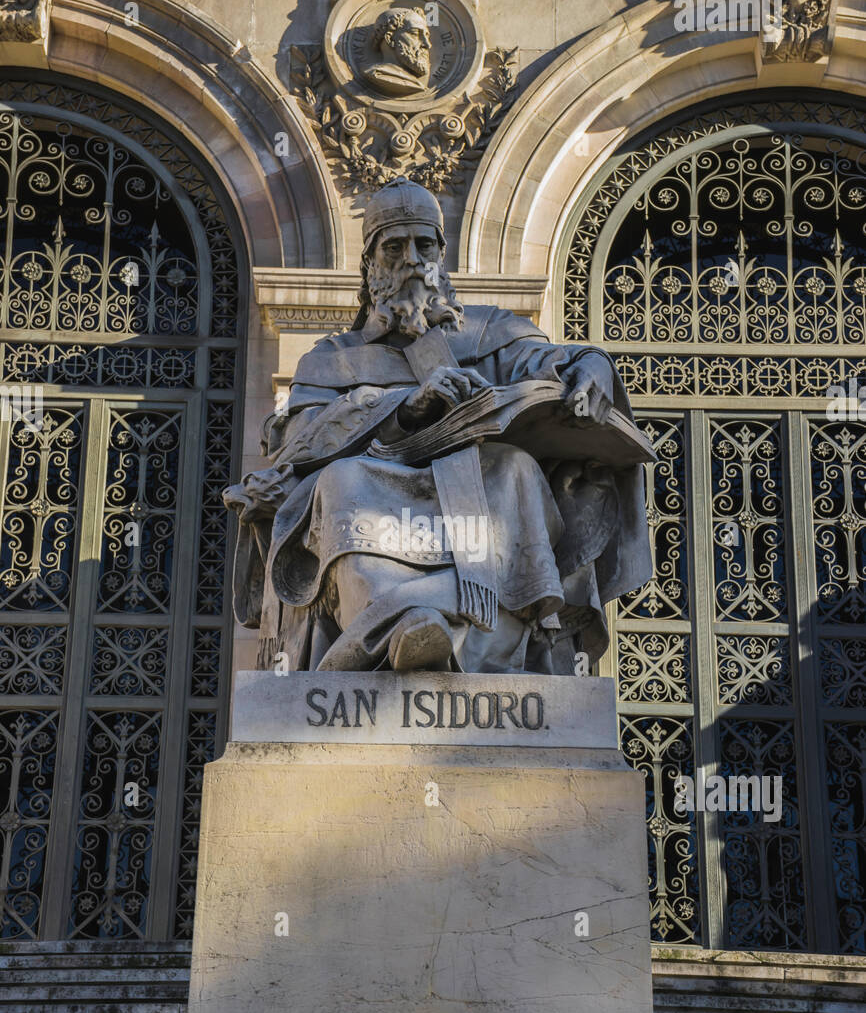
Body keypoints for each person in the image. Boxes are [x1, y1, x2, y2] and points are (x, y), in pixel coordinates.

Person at [225, 178, 652, 674]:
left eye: (423, 245)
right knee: (340, 482)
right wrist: (404, 408)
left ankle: (446, 632)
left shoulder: (491, 330)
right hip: (376, 481)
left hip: (478, 481)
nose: (411, 259)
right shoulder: (332, 358)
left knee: (515, 469)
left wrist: (593, 366)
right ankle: (401, 623)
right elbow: (301, 439)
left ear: (442, 254)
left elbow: (556, 360)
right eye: (394, 246)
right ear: (370, 264)